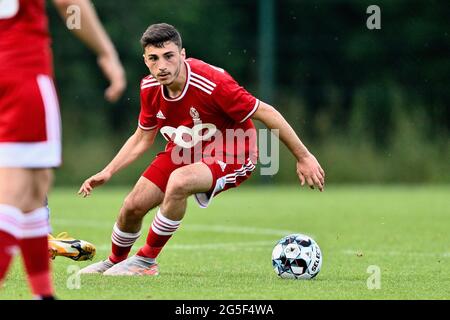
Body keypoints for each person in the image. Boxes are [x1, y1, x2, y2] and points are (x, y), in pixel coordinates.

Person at [78, 23, 325, 276]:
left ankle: (145, 262)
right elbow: (143, 136)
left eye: (169, 56)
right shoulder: (149, 88)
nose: (161, 65)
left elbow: (267, 112)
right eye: (153, 58)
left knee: (179, 182)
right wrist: (108, 171)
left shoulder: (213, 83)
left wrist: (303, 156)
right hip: (185, 149)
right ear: (145, 60)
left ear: (182, 55)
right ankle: (114, 261)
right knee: (133, 205)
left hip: (234, 151)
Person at [0, 0, 125, 299]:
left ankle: (43, 294)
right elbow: (69, 4)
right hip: (19, 73)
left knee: (34, 188)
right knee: (16, 191)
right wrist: (105, 51)